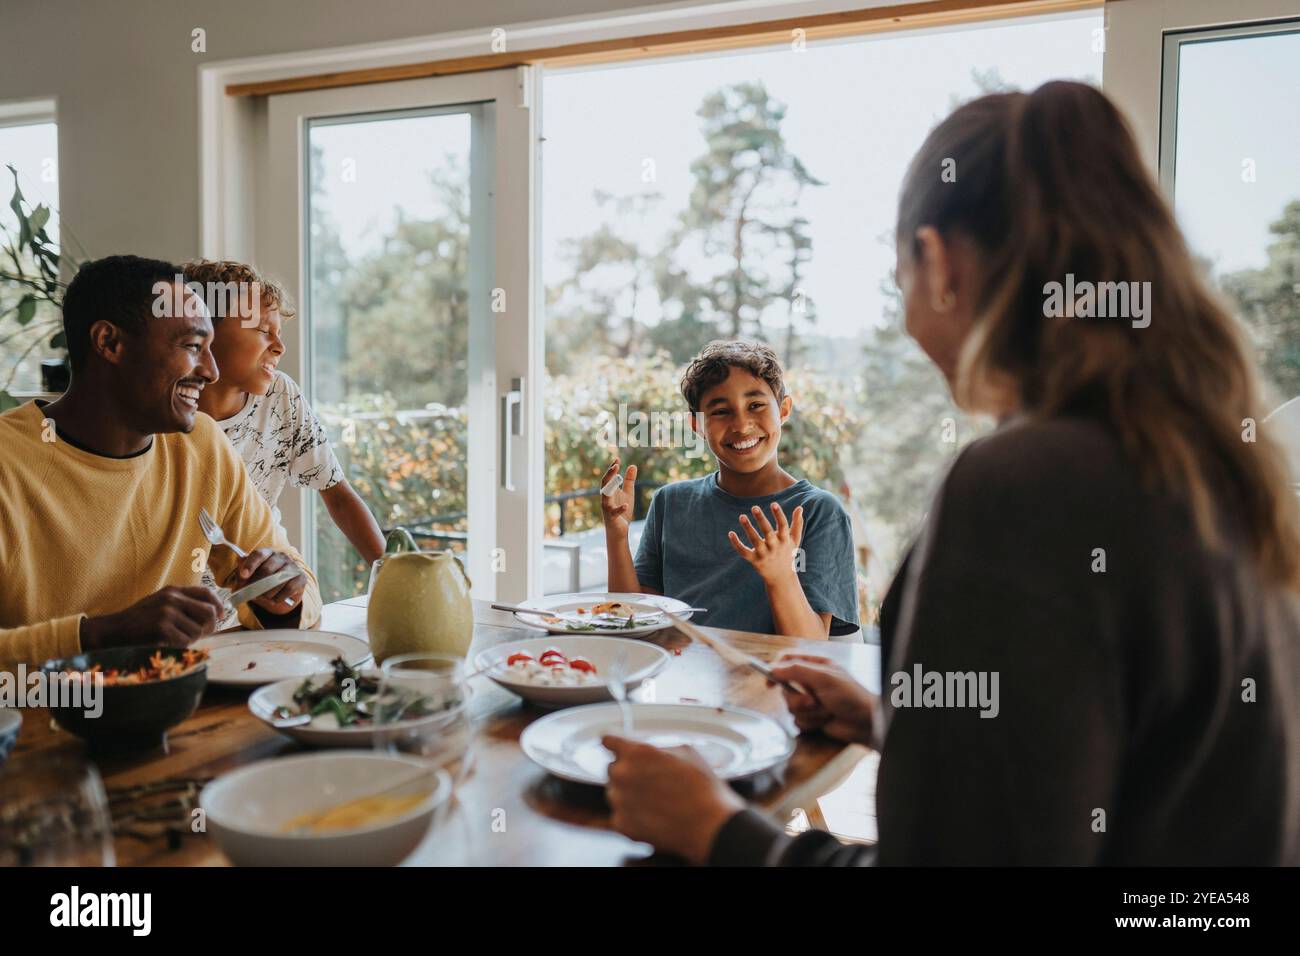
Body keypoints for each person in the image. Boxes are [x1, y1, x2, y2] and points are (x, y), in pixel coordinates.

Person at [601, 81, 1300, 865]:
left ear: (935, 261)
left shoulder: (1025, 483)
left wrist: (717, 830)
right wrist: (894, 723)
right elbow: (1106, 766)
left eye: (898, 275)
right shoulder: (1208, 457)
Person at [0, 255, 321, 667]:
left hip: (175, 712)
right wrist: (101, 635)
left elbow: (303, 593)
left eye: (210, 348)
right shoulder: (10, 462)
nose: (211, 371)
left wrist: (280, 596)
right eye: (192, 346)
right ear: (109, 343)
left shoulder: (203, 448)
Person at [601, 340, 858, 639]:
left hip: (768, 684)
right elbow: (636, 624)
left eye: (756, 405)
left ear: (783, 409)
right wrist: (617, 535)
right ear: (697, 425)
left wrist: (781, 576)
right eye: (721, 411)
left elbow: (811, 647)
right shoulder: (670, 503)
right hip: (680, 678)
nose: (742, 424)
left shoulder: (817, 512)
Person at [183, 259, 384, 626]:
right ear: (204, 331)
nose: (279, 347)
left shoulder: (280, 396)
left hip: (263, 610)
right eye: (263, 330)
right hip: (182, 622)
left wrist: (389, 576)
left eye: (279, 332)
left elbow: (338, 495)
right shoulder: (165, 415)